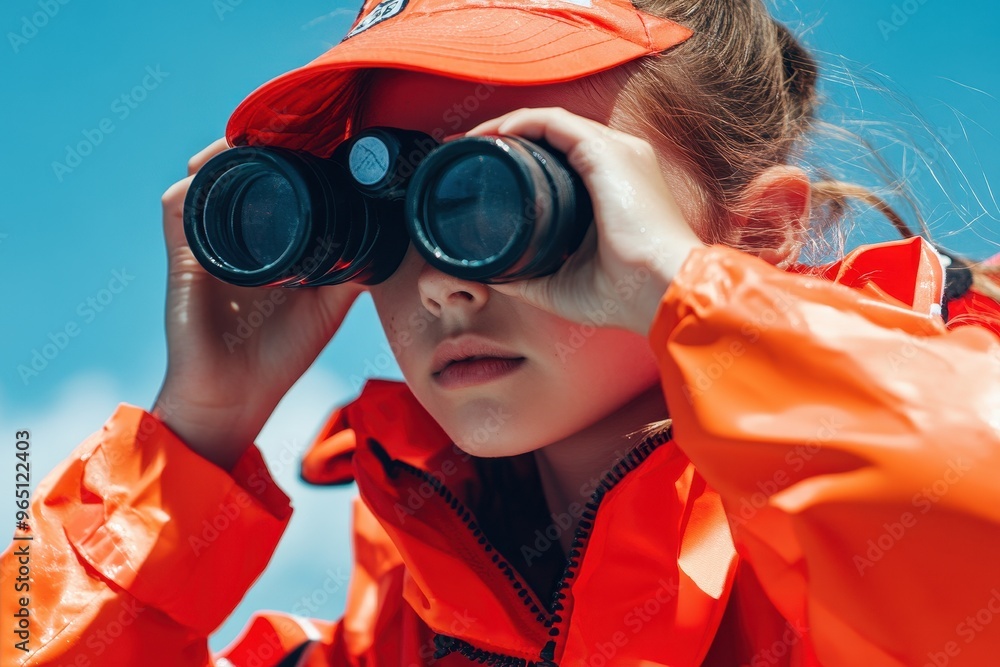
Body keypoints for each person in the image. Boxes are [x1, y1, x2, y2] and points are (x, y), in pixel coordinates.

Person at [4, 0, 1000, 665]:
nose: (440, 283)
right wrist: (192, 438)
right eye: (394, 216)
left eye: (496, 195)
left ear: (757, 228)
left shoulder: (954, 391)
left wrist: (695, 299)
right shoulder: (394, 634)